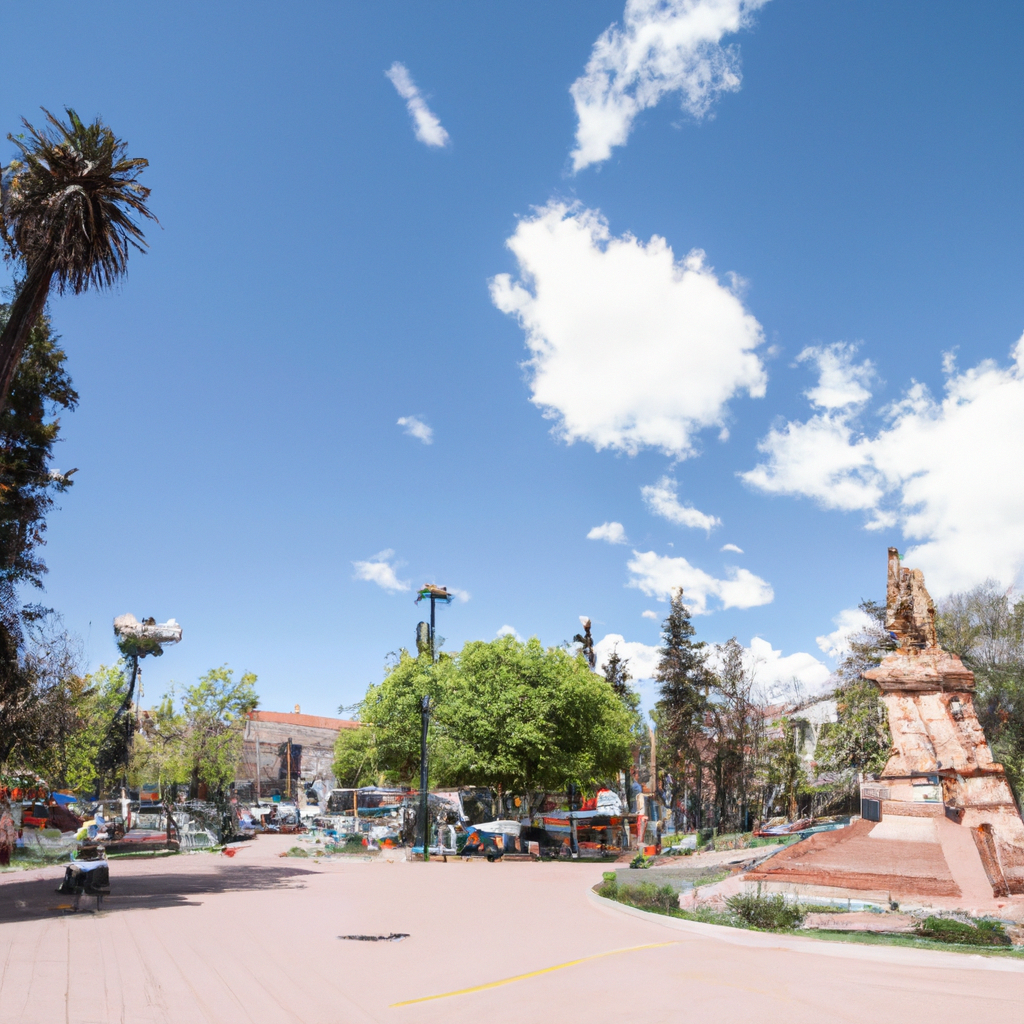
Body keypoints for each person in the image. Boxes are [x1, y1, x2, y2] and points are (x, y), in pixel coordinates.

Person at [0, 800, 17, 867]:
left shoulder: (7, 817)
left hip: (5, 839)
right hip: (4, 838)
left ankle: (5, 864)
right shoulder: (7, 817)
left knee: (5, 851)